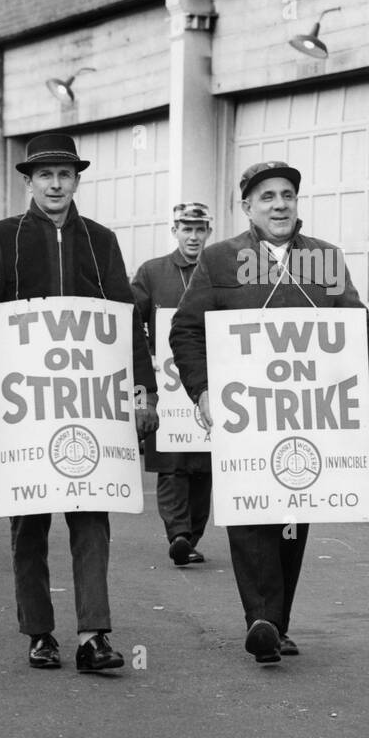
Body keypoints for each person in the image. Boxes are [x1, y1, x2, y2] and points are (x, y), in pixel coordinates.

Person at [0, 133, 158, 673]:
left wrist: (143, 392)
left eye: (64, 174)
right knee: (30, 519)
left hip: (91, 402)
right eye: (45, 175)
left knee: (93, 515)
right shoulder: (1, 238)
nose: (55, 184)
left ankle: (94, 633)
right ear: (29, 181)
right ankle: (39, 631)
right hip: (27, 406)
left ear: (76, 180)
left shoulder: (101, 241)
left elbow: (126, 322)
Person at [172, 161, 369, 664]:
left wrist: (368, 385)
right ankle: (261, 619)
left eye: (287, 194)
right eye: (266, 196)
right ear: (247, 207)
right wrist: (201, 390)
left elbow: (356, 323)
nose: (279, 204)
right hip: (247, 416)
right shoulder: (221, 260)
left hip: (305, 417)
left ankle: (277, 622)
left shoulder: (325, 259)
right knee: (250, 510)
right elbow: (187, 329)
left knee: (292, 512)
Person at [131, 202, 213, 568]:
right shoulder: (152, 272)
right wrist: (145, 355)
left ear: (208, 232)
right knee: (171, 462)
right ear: (174, 230)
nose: (193, 236)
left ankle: (191, 536)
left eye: (199, 229)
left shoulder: (221, 268)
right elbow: (132, 318)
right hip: (167, 381)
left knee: (204, 465)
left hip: (209, 381)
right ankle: (178, 534)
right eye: (186, 229)